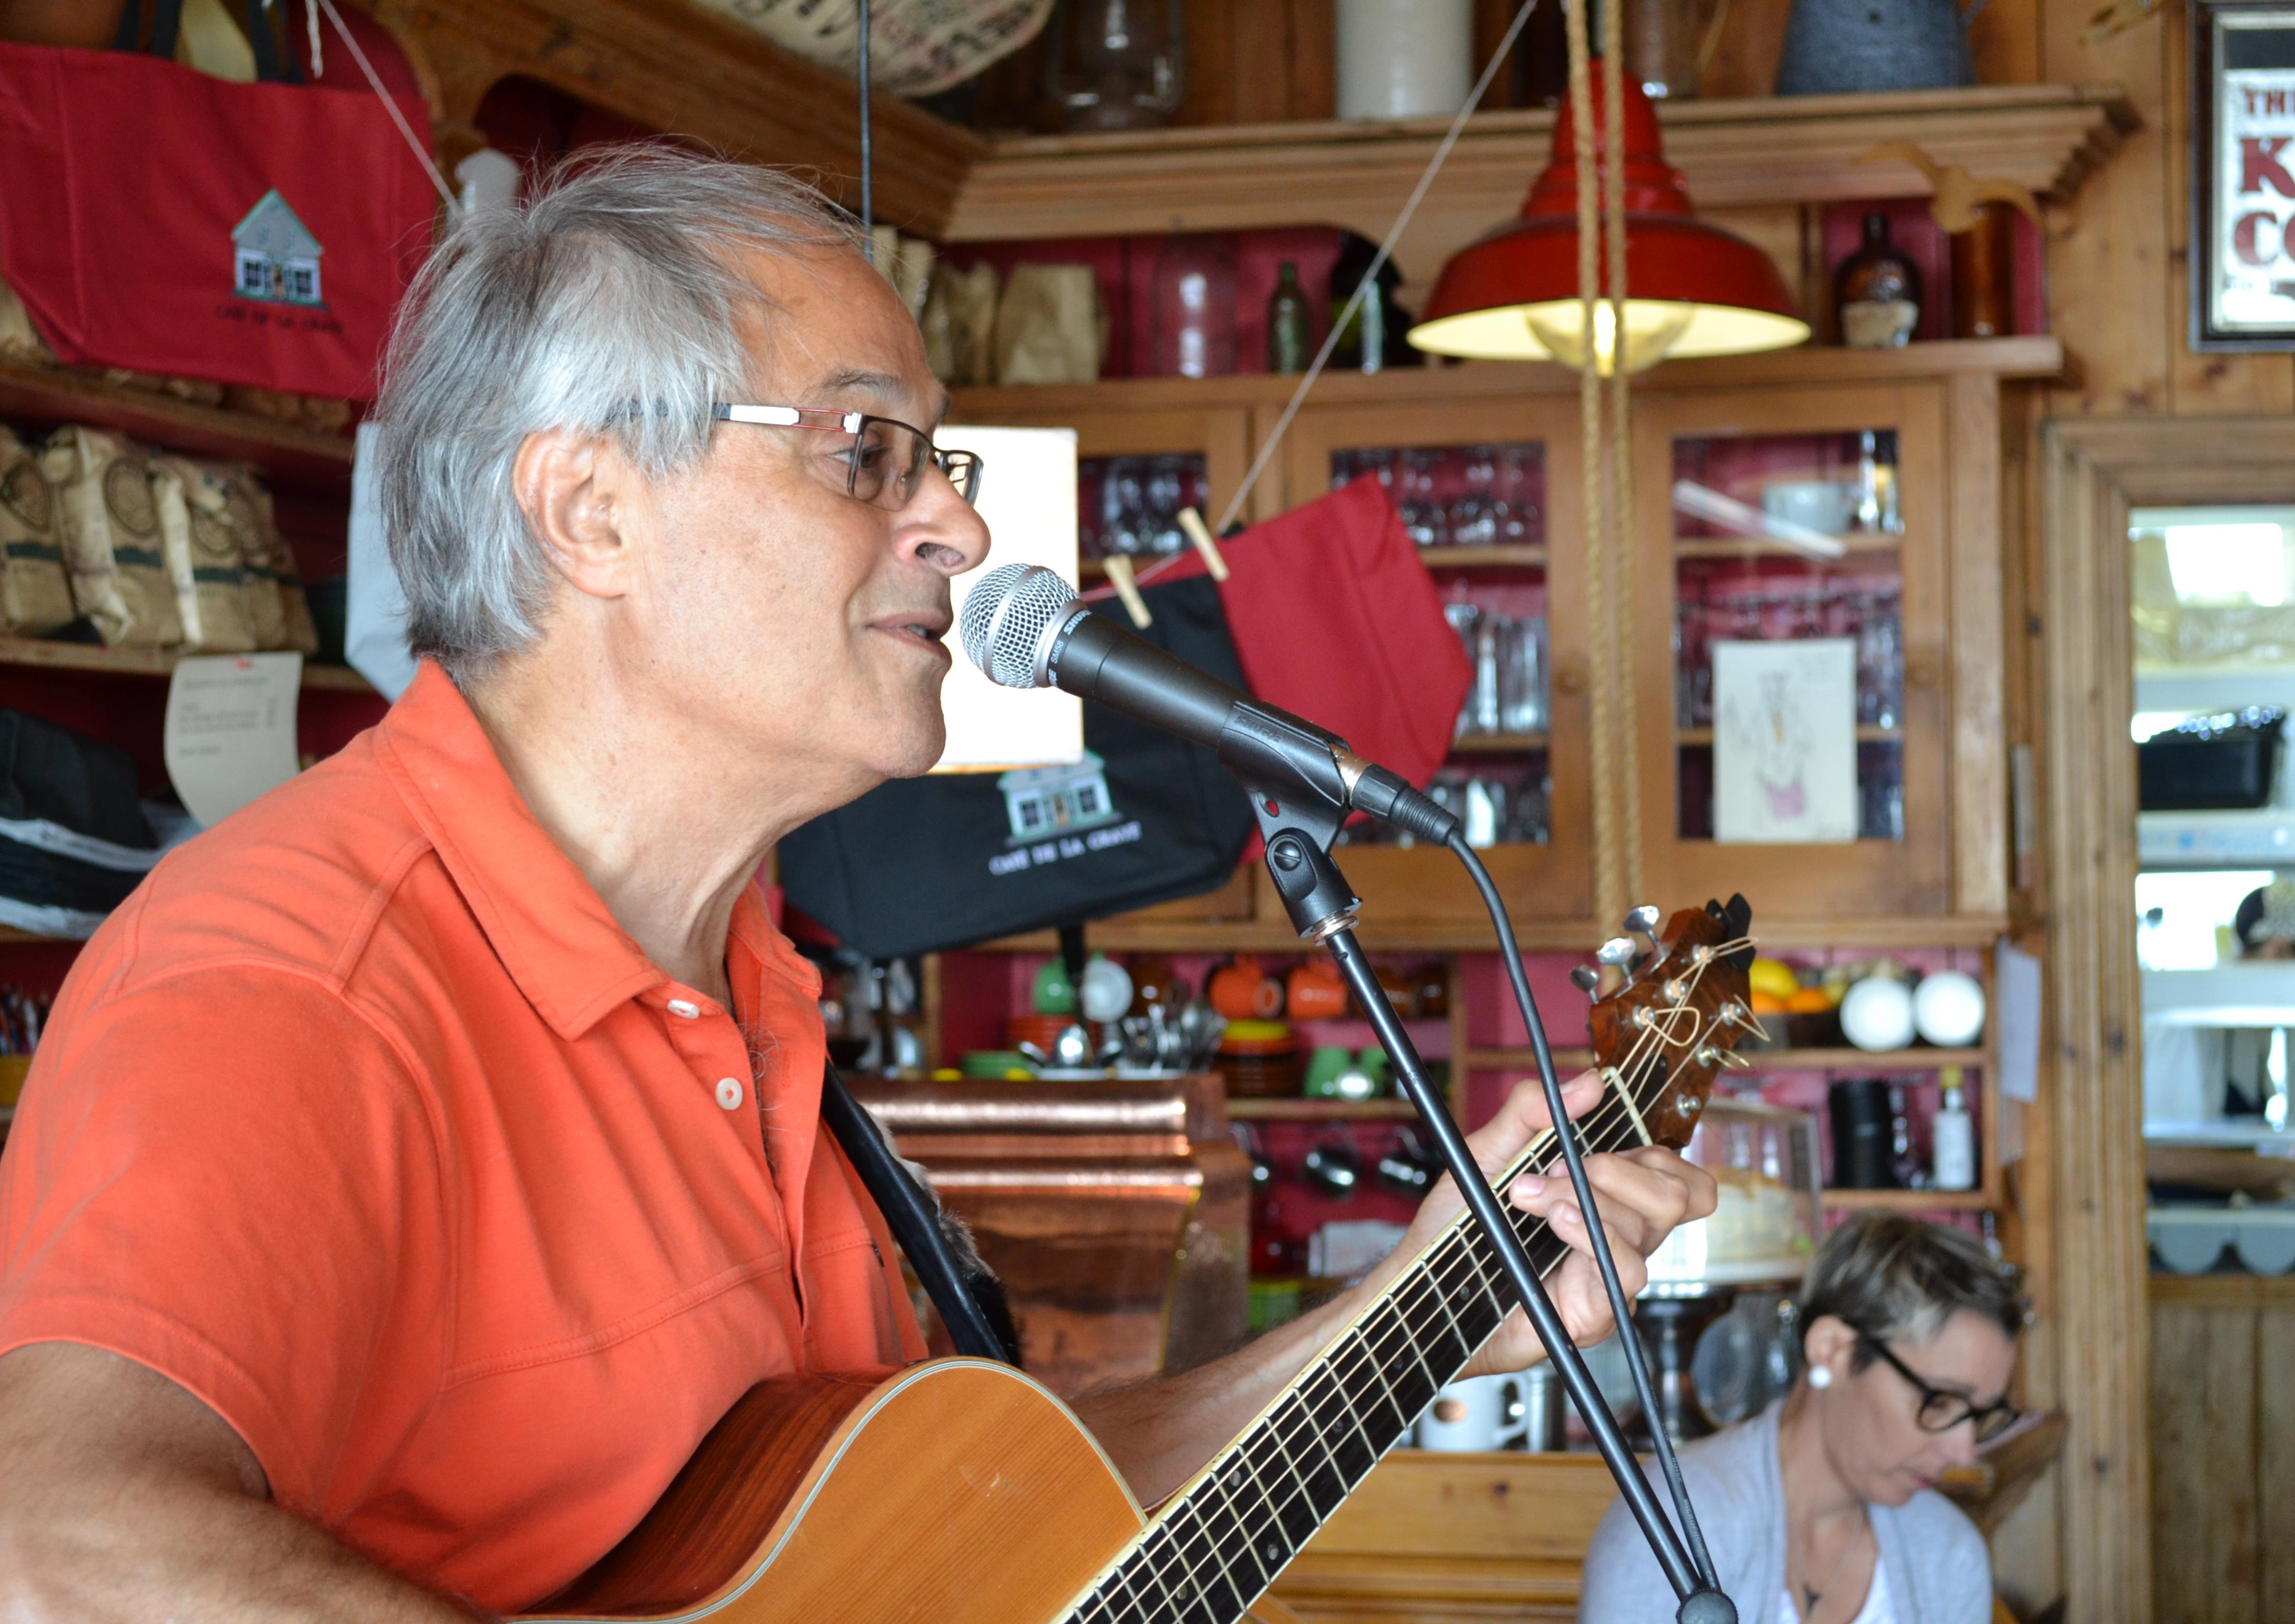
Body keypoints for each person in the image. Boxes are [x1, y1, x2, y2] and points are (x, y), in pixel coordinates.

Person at [0, 151, 1714, 1620]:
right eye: (861, 452)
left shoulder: (755, 988)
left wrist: (1416, 1312)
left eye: (936, 461)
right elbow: (50, 1545)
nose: (960, 532)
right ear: (590, 509)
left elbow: (964, 1534)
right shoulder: (294, 976)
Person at [1580, 1214, 2026, 1624]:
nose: (1963, 1451)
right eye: (1940, 1402)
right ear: (1833, 1350)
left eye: (1980, 1415)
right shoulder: (1675, 1527)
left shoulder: (1948, 1551)